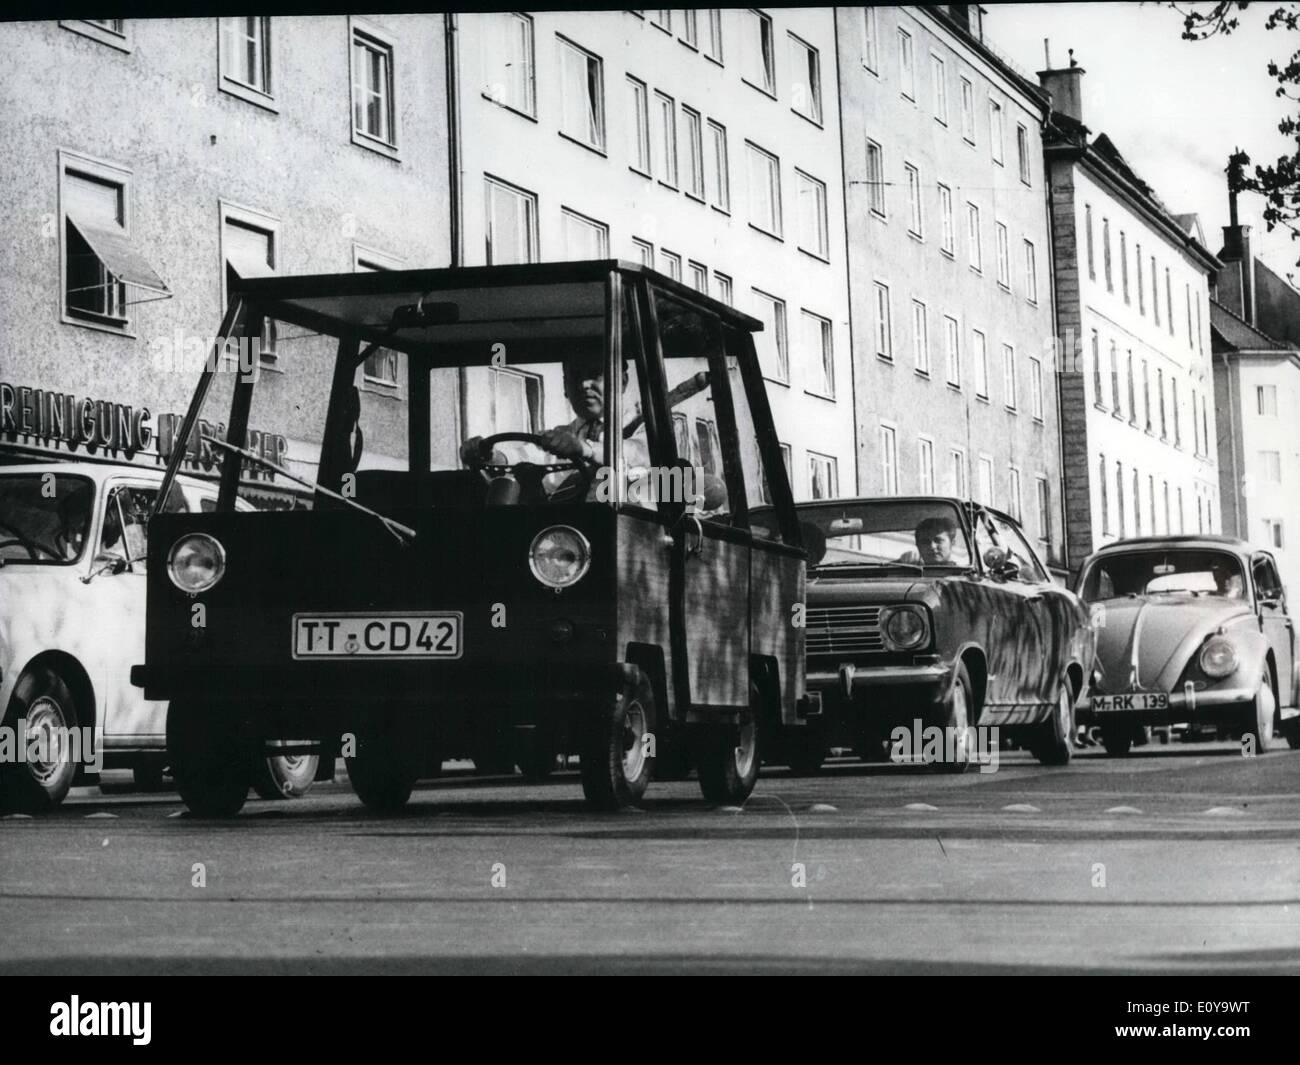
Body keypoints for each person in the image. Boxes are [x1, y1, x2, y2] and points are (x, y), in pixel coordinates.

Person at [461, 354, 650, 501]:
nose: (584, 384)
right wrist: (490, 455)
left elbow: (636, 452)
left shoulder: (647, 427)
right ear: (565, 388)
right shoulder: (562, 436)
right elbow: (524, 456)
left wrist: (584, 449)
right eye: (575, 376)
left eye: (595, 374)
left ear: (623, 381)